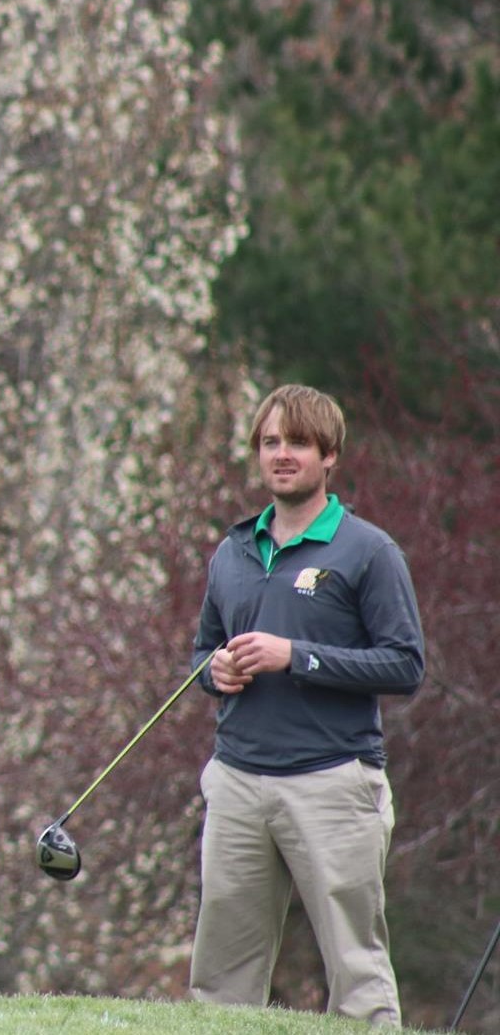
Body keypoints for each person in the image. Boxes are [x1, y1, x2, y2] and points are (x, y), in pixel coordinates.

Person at [188, 384, 424, 1027]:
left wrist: (298, 655)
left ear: (329, 457)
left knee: (358, 976)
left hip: (332, 780)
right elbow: (201, 653)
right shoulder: (232, 552)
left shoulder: (368, 551)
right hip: (237, 780)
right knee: (220, 982)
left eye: (297, 442)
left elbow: (406, 666)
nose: (281, 454)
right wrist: (213, 671)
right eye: (270, 442)